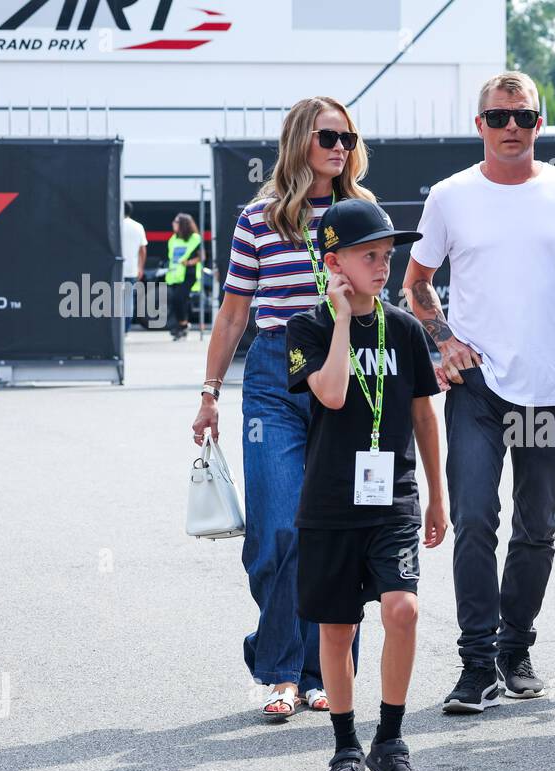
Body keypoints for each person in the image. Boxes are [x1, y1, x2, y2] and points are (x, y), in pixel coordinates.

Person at [403, 70, 555, 714]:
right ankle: (476, 663)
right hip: (479, 389)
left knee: (538, 527)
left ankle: (515, 649)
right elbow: (415, 284)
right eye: (499, 117)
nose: (511, 128)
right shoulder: (450, 197)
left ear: (539, 123)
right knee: (475, 519)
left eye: (523, 118)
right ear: (479, 124)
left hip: (552, 389)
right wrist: (445, 341)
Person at [191, 96, 371, 720]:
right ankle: (278, 667)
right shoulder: (258, 217)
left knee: (337, 531)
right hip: (275, 372)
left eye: (347, 136)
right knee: (277, 528)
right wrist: (209, 394)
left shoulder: (359, 212)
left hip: (345, 367)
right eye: (328, 135)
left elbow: (377, 299)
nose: (340, 146)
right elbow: (234, 311)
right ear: (300, 139)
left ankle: (321, 670)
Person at [286, 198, 445, 771]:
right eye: (368, 256)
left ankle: (392, 741)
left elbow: (425, 416)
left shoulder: (405, 329)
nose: (383, 267)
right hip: (328, 504)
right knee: (338, 626)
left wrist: (436, 496)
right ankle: (346, 747)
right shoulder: (307, 328)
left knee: (402, 609)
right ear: (334, 262)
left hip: (394, 499)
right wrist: (343, 318)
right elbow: (327, 394)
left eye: (387, 256)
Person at [165, 213, 202, 341]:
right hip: (175, 275)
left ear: (183, 224)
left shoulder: (195, 238)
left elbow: (202, 256)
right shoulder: (173, 239)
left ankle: (183, 325)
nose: (173, 224)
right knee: (178, 301)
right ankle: (181, 328)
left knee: (178, 298)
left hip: (189, 274)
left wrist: (189, 262)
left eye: (176, 221)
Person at [121, 202, 147, 332]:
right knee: (128, 301)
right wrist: (140, 267)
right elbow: (143, 250)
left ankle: (116, 331)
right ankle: (125, 330)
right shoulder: (138, 227)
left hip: (116, 269)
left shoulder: (116, 225)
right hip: (131, 270)